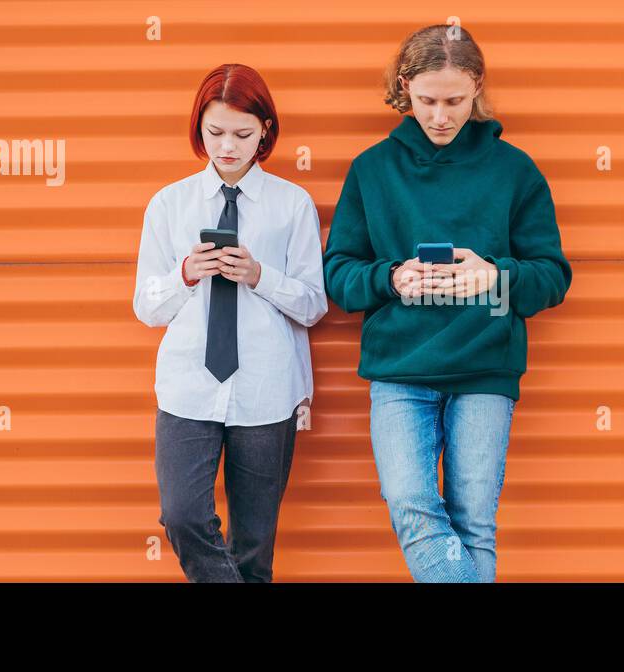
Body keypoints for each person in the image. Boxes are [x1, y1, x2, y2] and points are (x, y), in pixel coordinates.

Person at [322, 25, 572, 582]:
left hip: (485, 367)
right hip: (399, 369)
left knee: (474, 522)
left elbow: (552, 278)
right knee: (411, 505)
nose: (440, 116)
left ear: (477, 88)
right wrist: (391, 278)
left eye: (455, 101)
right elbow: (338, 275)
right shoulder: (372, 169)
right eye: (427, 100)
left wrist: (494, 275)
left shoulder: (514, 170)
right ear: (405, 89)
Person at [132, 64, 327, 582]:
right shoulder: (168, 205)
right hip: (188, 389)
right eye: (214, 132)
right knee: (183, 515)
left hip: (266, 390)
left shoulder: (292, 205)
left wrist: (261, 275)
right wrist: (185, 275)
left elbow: (313, 304)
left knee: (254, 545)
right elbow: (146, 308)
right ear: (199, 128)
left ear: (265, 130)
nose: (227, 147)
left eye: (242, 134)